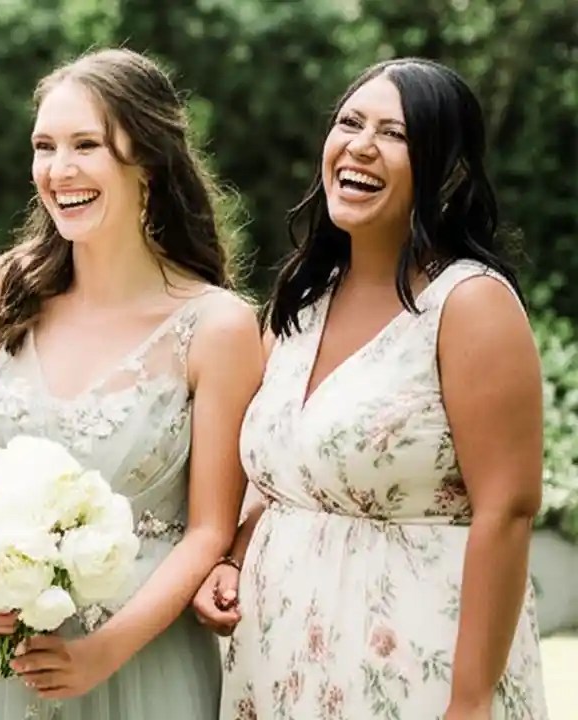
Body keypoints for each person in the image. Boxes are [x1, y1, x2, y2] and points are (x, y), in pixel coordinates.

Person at [194, 58, 549, 719]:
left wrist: (469, 702)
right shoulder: (301, 305)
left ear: (449, 169)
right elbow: (283, 481)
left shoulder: (469, 305)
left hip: (414, 662)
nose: (360, 144)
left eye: (395, 133)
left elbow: (508, 511)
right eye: (349, 122)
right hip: (279, 662)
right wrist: (233, 560)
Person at [0, 48, 264, 719]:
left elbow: (208, 531)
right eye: (44, 147)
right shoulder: (1, 293)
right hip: (2, 662)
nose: (59, 171)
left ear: (146, 159)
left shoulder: (218, 327)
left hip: (143, 659)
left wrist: (103, 651)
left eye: (85, 145)